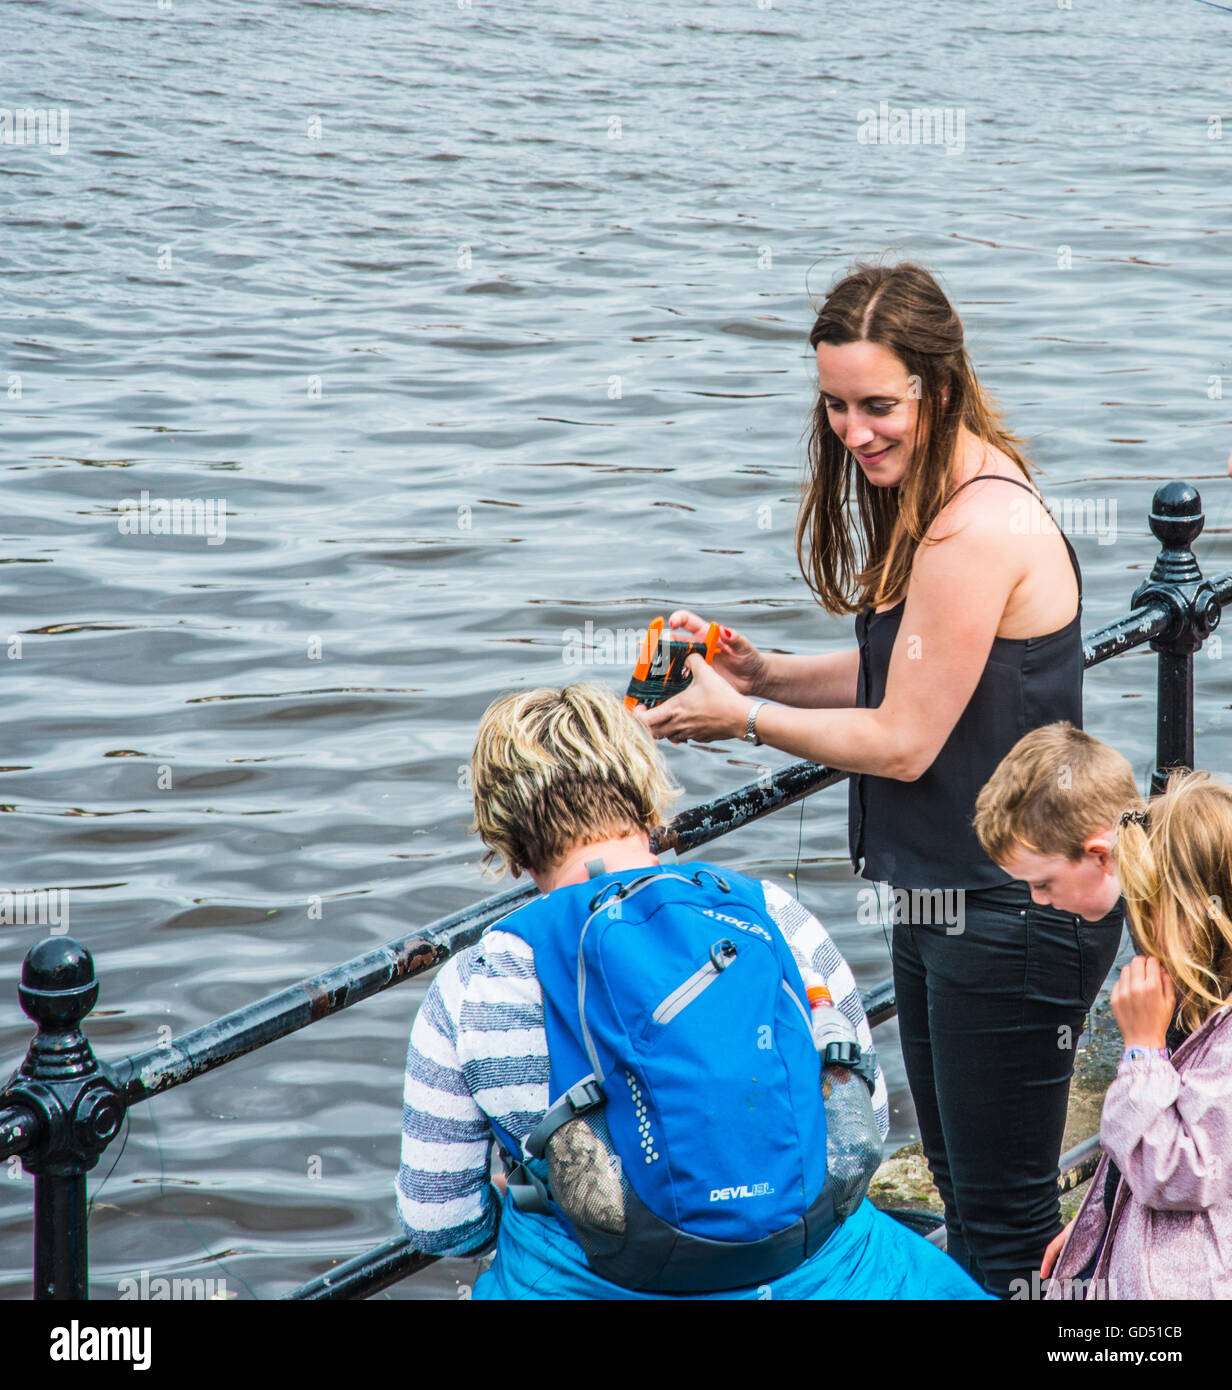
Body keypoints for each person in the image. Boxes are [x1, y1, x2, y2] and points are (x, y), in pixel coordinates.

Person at [632, 260, 1123, 1297]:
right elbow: (902, 672)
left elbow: (903, 738)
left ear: (935, 387)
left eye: (876, 406)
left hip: (1013, 908)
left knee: (999, 1229)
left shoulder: (972, 521)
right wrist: (763, 673)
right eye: (834, 406)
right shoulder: (938, 491)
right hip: (954, 893)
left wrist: (746, 719)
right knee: (965, 1196)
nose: (853, 432)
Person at [395, 681, 989, 1299]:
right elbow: (860, 1116)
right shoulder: (770, 913)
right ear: (646, 796)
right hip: (828, 1272)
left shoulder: (475, 984)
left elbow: (439, 1222)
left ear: (509, 841)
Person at [1038, 771, 1232, 1299]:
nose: (1139, 928)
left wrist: (1143, 1051)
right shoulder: (1200, 1010)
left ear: (1204, 912)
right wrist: (1095, 1229)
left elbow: (1178, 1177)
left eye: (1152, 908)